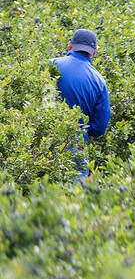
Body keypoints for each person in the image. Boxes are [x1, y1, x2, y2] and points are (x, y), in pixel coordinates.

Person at [50, 28, 111, 181]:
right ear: (94, 51)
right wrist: (80, 128)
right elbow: (99, 128)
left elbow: (40, 101)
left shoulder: (50, 65)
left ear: (70, 45)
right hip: (76, 144)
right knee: (74, 195)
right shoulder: (99, 81)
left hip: (42, 137)